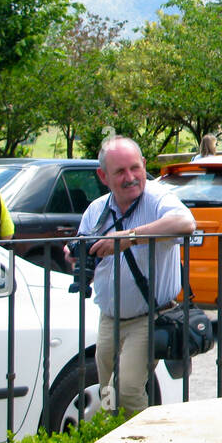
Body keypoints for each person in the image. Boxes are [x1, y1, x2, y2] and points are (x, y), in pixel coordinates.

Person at [68, 136, 195, 416]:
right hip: (109, 319)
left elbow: (186, 223)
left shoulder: (159, 198)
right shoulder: (97, 209)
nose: (130, 177)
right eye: (120, 172)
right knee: (108, 393)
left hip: (149, 317)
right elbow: (82, 248)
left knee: (127, 390)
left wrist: (129, 237)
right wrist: (76, 254)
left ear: (144, 165)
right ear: (103, 176)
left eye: (135, 168)